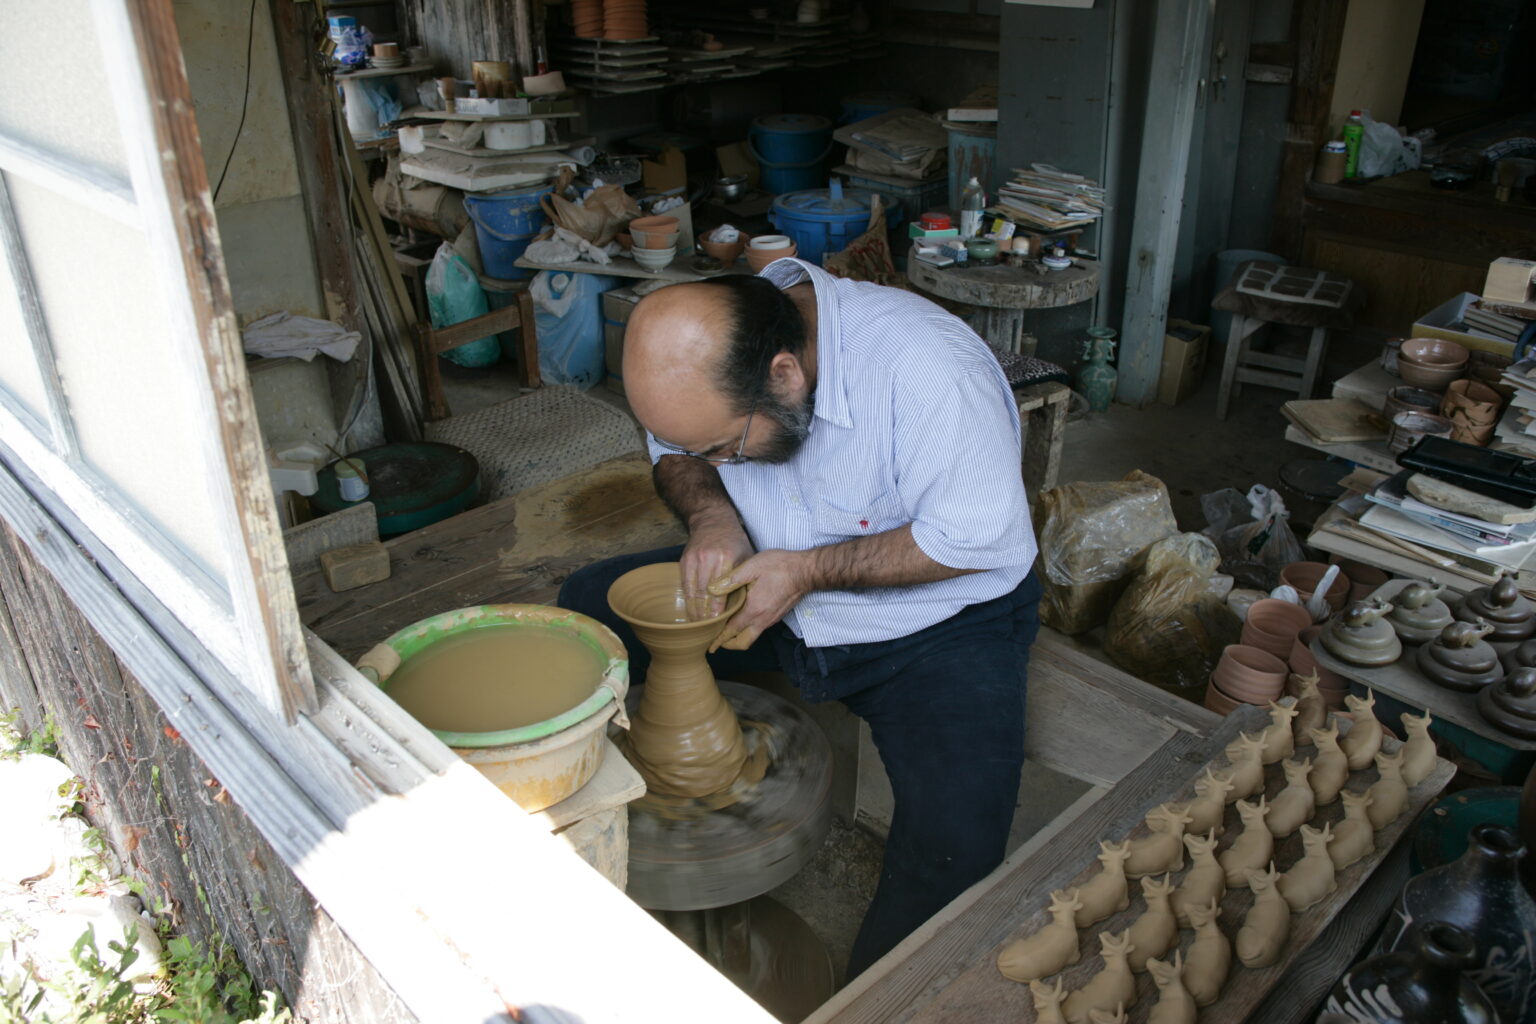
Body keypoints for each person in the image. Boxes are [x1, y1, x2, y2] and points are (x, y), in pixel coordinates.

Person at [557, 257, 1039, 978]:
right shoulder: (710, 365)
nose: (712, 458)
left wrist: (807, 571)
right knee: (584, 617)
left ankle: (872, 999)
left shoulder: (927, 369)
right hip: (767, 580)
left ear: (785, 375)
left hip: (933, 622)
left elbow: (975, 538)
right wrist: (713, 515)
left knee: (955, 854)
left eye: (724, 448)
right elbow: (673, 452)